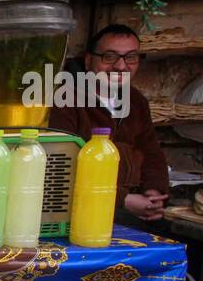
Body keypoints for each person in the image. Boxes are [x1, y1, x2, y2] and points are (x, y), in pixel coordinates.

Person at [49, 25, 171, 222]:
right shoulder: (64, 98)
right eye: (109, 57)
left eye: (130, 57)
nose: (121, 66)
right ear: (89, 60)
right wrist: (123, 200)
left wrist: (153, 191)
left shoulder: (135, 100)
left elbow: (150, 151)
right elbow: (62, 168)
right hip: (82, 209)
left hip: (134, 204)